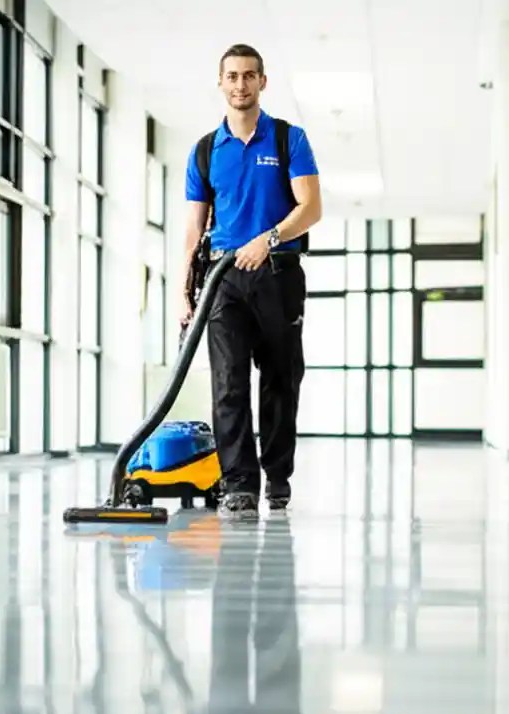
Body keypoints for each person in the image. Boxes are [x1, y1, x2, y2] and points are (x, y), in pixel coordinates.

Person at [182, 44, 322, 519]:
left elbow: (311, 208)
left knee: (281, 380)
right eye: (232, 76)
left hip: (279, 275)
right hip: (224, 282)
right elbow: (192, 230)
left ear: (263, 82)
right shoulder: (204, 151)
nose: (240, 85)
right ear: (220, 82)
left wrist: (270, 238)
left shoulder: (288, 139)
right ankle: (239, 483)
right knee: (229, 384)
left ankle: (277, 477)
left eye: (249, 76)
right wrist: (184, 293)